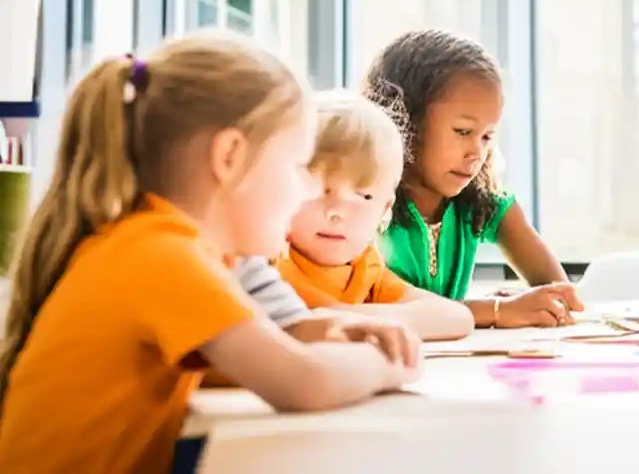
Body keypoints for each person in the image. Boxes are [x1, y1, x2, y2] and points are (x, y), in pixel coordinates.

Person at [0, 33, 418, 473]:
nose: (310, 189)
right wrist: (386, 366)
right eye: (298, 167)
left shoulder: (161, 244)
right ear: (230, 156)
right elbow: (302, 382)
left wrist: (333, 327)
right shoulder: (161, 255)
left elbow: (257, 341)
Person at [363, 30, 583, 328]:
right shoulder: (361, 204)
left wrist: (533, 303)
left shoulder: (481, 200)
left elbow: (561, 292)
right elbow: (375, 310)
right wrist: (495, 310)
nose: (476, 152)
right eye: (463, 132)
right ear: (403, 121)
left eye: (487, 136)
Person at [278, 90, 475, 340]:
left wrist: (352, 318)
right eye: (317, 190)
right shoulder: (266, 258)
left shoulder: (366, 268)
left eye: (363, 196)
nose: (337, 212)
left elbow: (456, 318)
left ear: (384, 209)